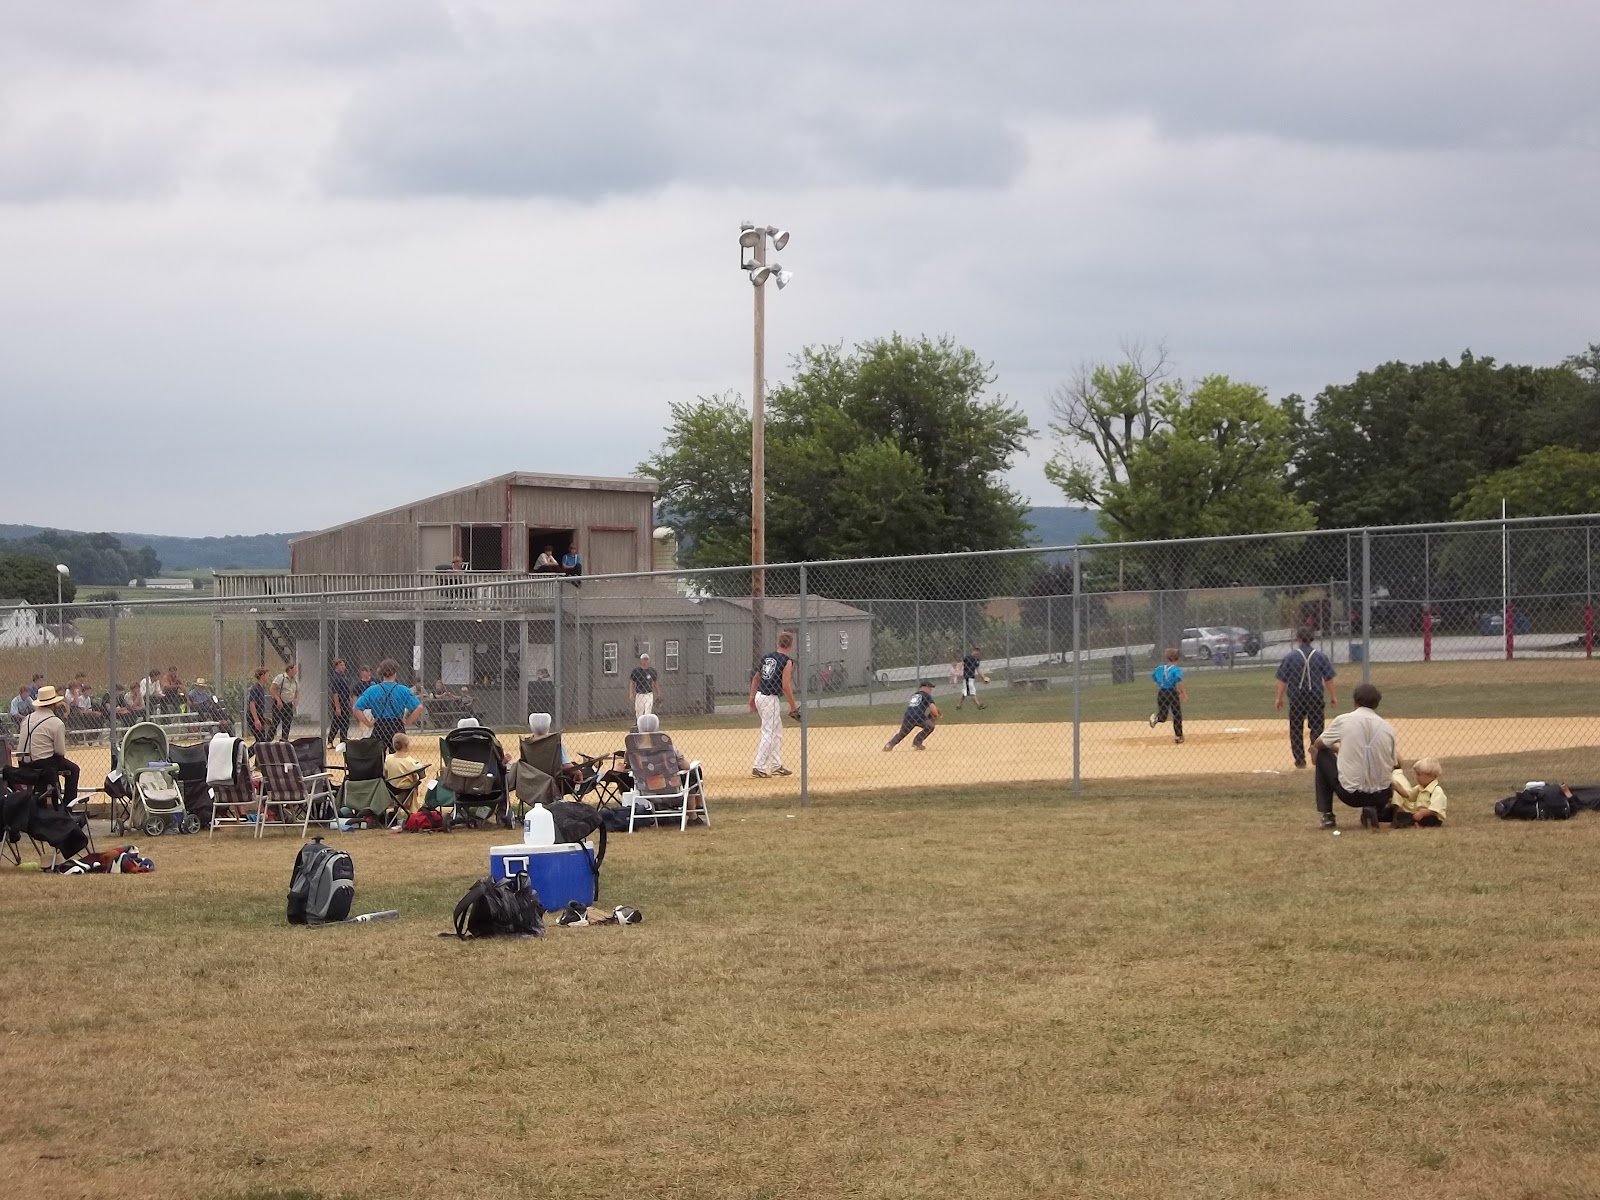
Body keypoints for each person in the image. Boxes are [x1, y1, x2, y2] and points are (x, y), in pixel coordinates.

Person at [1312, 682, 1398, 831]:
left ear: (1355, 701)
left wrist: (1333, 749)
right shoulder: (1387, 727)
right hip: (1381, 795)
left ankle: (1327, 815)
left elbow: (1319, 744)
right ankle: (1376, 810)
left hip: (1352, 795)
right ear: (1377, 704)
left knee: (1322, 754)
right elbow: (1394, 763)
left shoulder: (1344, 720)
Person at [1275, 627, 1338, 769]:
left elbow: (1283, 680)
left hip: (1296, 698)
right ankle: (1316, 750)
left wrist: (1279, 698)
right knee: (1317, 727)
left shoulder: (1290, 657)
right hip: (1315, 697)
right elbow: (1328, 678)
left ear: (1298, 639)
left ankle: (1300, 760)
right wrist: (1333, 696)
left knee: (1296, 728)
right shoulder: (1320, 656)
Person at [17, 685, 80, 807]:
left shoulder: (27, 719)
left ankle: (43, 802)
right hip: (43, 765)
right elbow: (60, 752)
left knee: (50, 764)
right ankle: (67, 806)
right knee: (74, 769)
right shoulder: (56, 722)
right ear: (54, 705)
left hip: (23, 764)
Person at [749, 632, 800, 778]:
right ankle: (759, 766)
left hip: (761, 695)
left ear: (779, 643)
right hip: (769, 699)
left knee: (777, 731)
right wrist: (793, 707)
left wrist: (752, 697)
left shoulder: (768, 657)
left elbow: (756, 678)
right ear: (790, 645)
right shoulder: (787, 661)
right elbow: (785, 685)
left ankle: (776, 765)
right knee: (769, 733)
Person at [354, 658, 422, 751]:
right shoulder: (403, 690)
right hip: (397, 724)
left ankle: (379, 765)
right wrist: (408, 721)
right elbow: (419, 707)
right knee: (398, 754)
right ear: (395, 673)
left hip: (380, 724)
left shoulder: (372, 690)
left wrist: (368, 723)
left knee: (377, 755)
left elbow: (356, 708)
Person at [1389, 757, 1447, 828]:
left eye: (1419, 775)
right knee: (1400, 815)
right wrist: (1397, 788)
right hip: (1419, 815)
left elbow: (1434, 810)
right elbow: (1409, 796)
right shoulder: (1419, 788)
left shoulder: (1436, 790)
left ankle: (1406, 825)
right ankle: (1414, 824)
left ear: (1430, 776)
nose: (1416, 777)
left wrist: (1422, 813)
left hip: (1432, 818)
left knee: (1413, 819)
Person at [884, 682, 940, 751]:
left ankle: (889, 745)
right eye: (930, 688)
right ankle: (917, 742)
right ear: (925, 687)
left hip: (908, 715)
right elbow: (933, 708)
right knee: (930, 726)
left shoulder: (914, 695)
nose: (931, 690)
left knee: (902, 733)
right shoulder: (926, 695)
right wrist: (936, 715)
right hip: (918, 715)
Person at [1148, 648, 1186, 744]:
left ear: (1167, 658)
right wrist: (1183, 693)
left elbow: (1154, 677)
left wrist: (1160, 683)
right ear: (1177, 659)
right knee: (1177, 714)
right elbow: (1179, 681)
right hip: (1172, 692)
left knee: (1163, 715)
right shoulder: (1176, 669)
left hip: (1162, 692)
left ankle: (1156, 718)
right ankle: (1178, 736)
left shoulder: (1160, 668)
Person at [269, 662, 299, 740]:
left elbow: (297, 691)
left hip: (289, 704)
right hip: (280, 704)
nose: (296, 671)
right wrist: (278, 700)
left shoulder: (294, 680)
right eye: (295, 669)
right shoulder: (281, 677)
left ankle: (284, 739)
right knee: (275, 722)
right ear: (290, 669)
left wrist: (296, 698)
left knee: (287, 722)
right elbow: (272, 689)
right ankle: (268, 739)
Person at [955, 645, 991, 710]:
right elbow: (961, 664)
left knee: (965, 693)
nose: (976, 652)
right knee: (972, 692)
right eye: (975, 650)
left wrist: (983, 677)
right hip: (967, 677)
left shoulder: (977, 659)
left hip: (972, 677)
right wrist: (958, 671)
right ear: (973, 651)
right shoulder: (967, 657)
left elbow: (978, 669)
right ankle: (979, 705)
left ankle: (958, 705)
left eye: (978, 651)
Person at [327, 658, 353, 748]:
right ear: (337, 666)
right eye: (341, 665)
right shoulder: (335, 677)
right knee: (336, 722)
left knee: (345, 722)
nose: (343, 667)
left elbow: (347, 691)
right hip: (339, 702)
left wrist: (350, 702)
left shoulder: (343, 677)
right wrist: (337, 707)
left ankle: (343, 740)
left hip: (345, 702)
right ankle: (330, 741)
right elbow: (335, 693)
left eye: (344, 665)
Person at [630, 653, 659, 723]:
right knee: (639, 712)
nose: (645, 661)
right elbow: (632, 683)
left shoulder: (652, 671)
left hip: (648, 694)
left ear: (648, 660)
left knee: (648, 712)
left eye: (646, 659)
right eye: (644, 659)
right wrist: (631, 693)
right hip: (639, 694)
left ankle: (646, 726)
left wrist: (658, 693)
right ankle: (639, 726)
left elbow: (655, 682)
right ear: (641, 660)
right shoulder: (636, 671)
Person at [246, 668, 271, 742]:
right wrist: (256, 719)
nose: (268, 676)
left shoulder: (261, 688)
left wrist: (263, 718)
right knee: (261, 740)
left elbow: (259, 706)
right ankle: (246, 753)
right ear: (262, 676)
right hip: (253, 716)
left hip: (259, 716)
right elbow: (252, 704)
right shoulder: (255, 688)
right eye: (267, 674)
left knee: (260, 740)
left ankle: (249, 753)